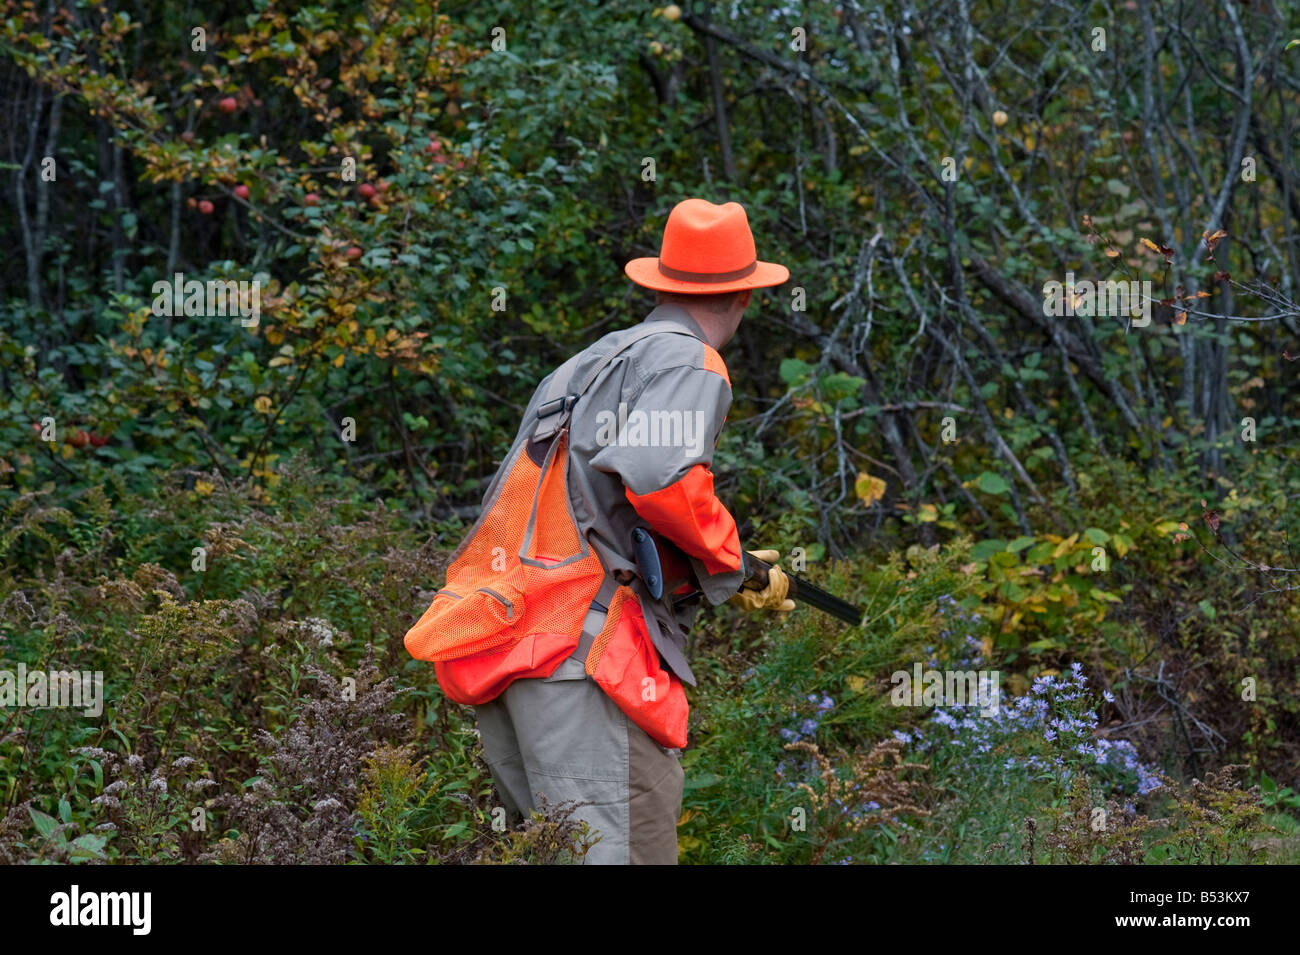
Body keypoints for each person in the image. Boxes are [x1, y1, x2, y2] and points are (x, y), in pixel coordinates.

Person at [405, 197, 796, 864]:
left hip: (515, 653)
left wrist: (712, 565)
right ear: (744, 296)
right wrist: (730, 562)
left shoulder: (585, 366)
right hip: (584, 665)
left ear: (659, 283)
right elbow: (658, 475)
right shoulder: (689, 361)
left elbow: (584, 505)